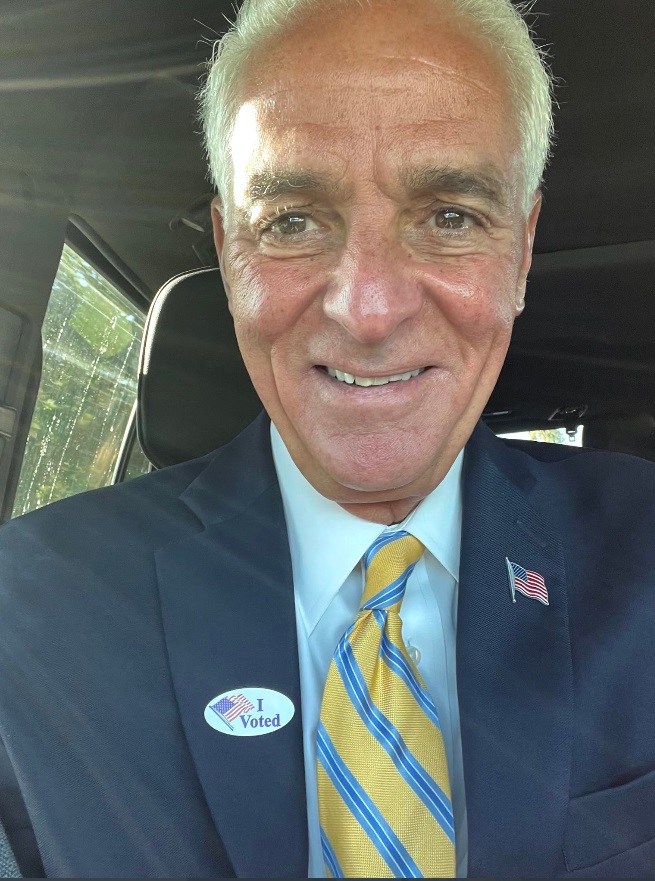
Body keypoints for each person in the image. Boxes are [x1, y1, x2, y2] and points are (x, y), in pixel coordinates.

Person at [1, 0, 655, 877]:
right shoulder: (31, 611)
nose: (369, 310)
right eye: (293, 220)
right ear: (230, 250)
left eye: (451, 215)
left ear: (523, 249)